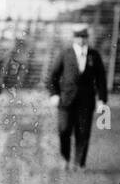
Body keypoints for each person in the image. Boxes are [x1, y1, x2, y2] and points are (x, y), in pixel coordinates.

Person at [46, 24, 109, 171]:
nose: (81, 40)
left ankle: (79, 163)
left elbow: (101, 79)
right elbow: (52, 77)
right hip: (65, 101)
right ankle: (65, 158)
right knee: (64, 129)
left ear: (87, 38)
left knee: (83, 132)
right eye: (78, 37)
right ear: (74, 38)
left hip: (86, 102)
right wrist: (54, 95)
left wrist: (102, 100)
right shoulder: (65, 54)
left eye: (84, 37)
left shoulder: (94, 55)